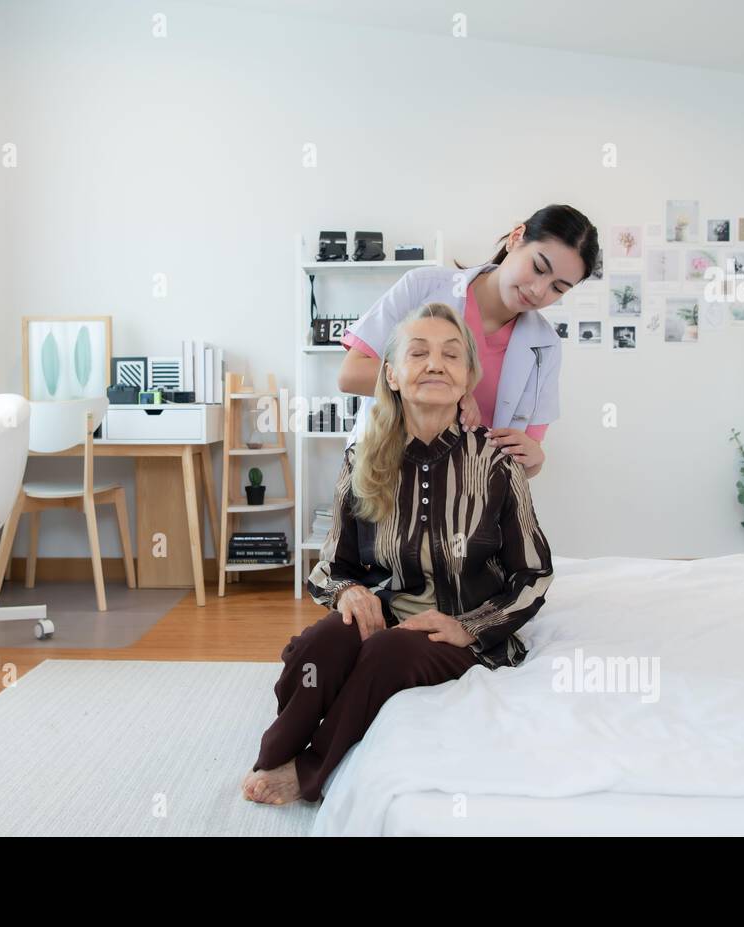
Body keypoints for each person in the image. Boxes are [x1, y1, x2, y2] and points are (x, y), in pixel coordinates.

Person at [242, 302, 554, 805]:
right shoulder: (362, 459)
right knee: (324, 643)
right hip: (386, 617)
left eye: (452, 355)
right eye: (419, 352)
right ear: (390, 373)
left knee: (387, 652)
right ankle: (275, 750)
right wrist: (347, 593)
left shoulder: (496, 463)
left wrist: (468, 627)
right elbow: (329, 567)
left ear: (468, 376)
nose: (436, 363)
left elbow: (535, 574)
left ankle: (312, 769)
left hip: (464, 632)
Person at [337, 204, 598, 478]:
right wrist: (453, 394)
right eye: (538, 267)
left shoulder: (546, 346)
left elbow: (528, 455)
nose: (538, 290)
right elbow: (350, 375)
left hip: (470, 496)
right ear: (515, 238)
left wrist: (535, 459)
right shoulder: (422, 287)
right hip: (389, 477)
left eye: (558, 288)